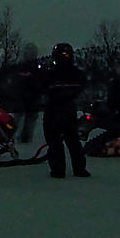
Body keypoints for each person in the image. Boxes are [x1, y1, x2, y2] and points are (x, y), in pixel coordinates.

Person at [40, 42, 90, 179]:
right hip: (68, 109)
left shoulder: (50, 74)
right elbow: (81, 87)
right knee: (72, 140)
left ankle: (59, 170)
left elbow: (42, 89)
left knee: (56, 140)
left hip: (55, 109)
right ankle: (79, 169)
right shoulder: (76, 73)